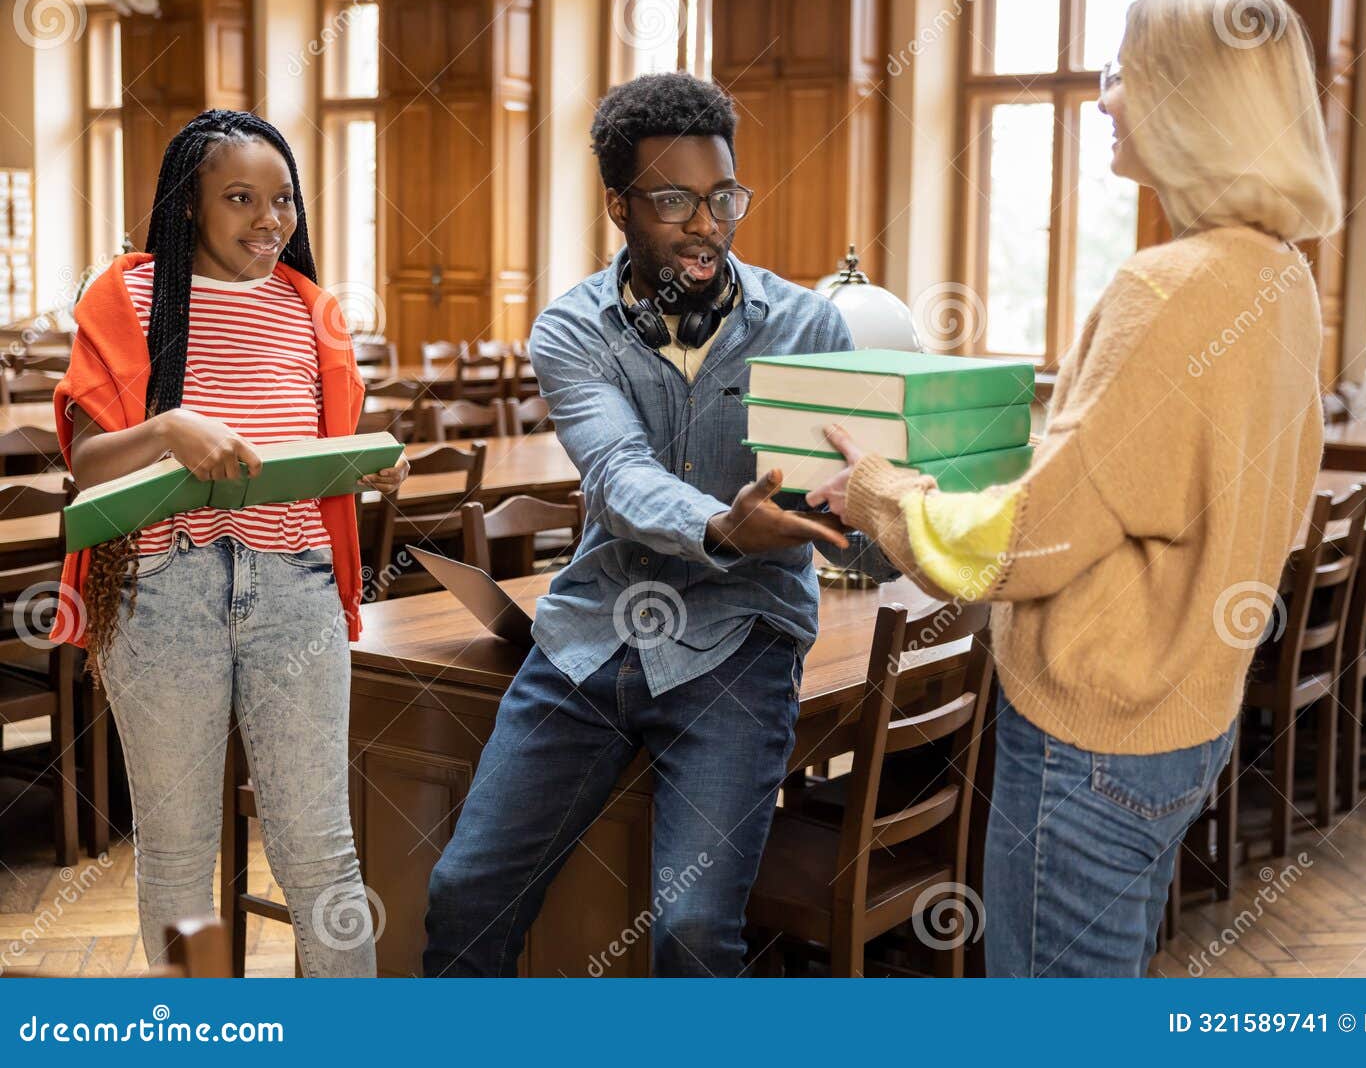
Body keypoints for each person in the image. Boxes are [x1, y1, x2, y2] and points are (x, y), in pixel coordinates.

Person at [805, 0, 1339, 976]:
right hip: (1186, 713)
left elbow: (1033, 540)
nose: (1104, 98)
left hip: (1094, 734)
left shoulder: (1167, 287)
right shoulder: (1279, 274)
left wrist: (880, 491)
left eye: (1123, 74)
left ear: (1188, 102)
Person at [423, 72, 896, 976]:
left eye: (724, 197)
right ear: (619, 205)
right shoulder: (573, 331)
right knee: (463, 893)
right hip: (592, 638)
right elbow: (618, 473)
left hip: (742, 641)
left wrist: (889, 498)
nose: (708, 224)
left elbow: (864, 527)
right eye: (676, 200)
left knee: (690, 934)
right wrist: (722, 527)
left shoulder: (808, 326)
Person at [52, 109, 409, 976]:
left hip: (295, 589)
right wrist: (169, 428)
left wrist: (363, 470)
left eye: (282, 199)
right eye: (240, 198)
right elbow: (89, 465)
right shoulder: (125, 296)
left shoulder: (311, 309)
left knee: (322, 850)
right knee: (178, 860)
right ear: (186, 207)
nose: (269, 220)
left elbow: (313, 459)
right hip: (161, 591)